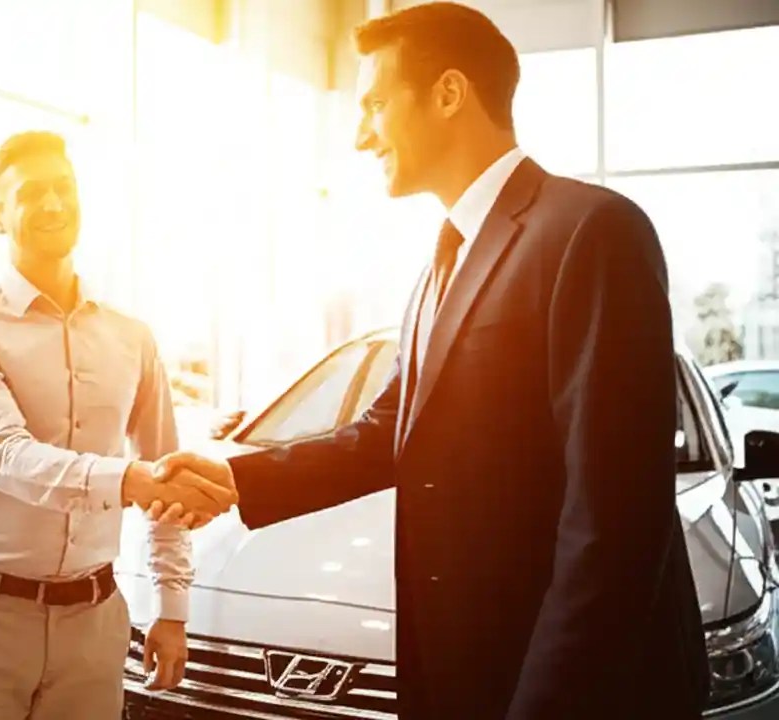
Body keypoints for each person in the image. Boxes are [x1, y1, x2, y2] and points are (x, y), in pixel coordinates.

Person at [159, 4, 710, 719]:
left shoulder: (591, 231)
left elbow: (612, 522)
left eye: (376, 104)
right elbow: (390, 432)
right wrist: (236, 477)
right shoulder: (439, 265)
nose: (361, 135)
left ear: (448, 94)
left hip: (568, 682)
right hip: (467, 669)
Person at [0, 130, 230, 720]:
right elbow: (4, 455)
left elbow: (165, 465)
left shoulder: (131, 336)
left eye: (64, 188)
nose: (53, 205)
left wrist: (172, 609)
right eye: (32, 192)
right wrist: (134, 481)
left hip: (95, 621)